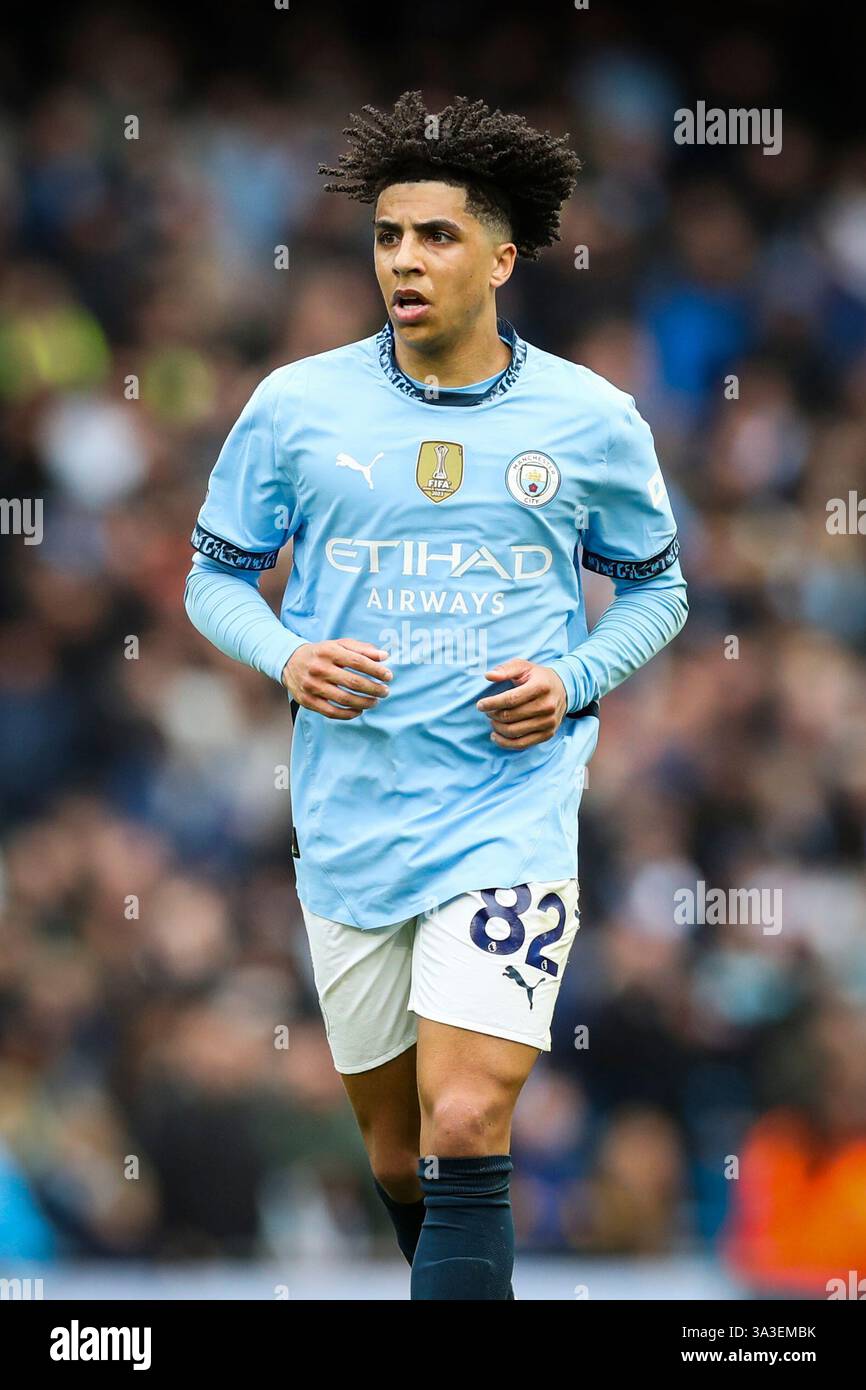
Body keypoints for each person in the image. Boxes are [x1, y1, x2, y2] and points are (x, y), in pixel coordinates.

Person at [183, 90, 688, 1300]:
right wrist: (289, 659)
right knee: (399, 1150)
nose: (404, 259)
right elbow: (214, 582)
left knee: (465, 1117)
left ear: (502, 257)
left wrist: (570, 678)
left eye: (437, 236)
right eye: (387, 236)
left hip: (506, 813)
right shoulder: (296, 406)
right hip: (353, 824)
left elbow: (657, 594)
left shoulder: (587, 418)